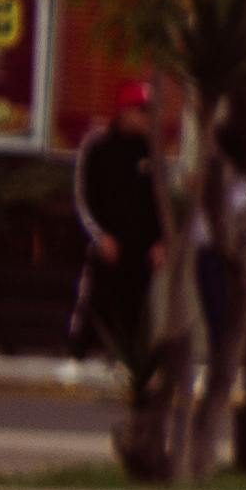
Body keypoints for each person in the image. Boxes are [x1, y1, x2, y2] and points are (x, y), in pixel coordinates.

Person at [74, 80, 164, 369]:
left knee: (136, 305)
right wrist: (100, 236)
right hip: (108, 241)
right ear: (124, 112)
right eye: (141, 111)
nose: (146, 118)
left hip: (142, 245)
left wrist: (161, 241)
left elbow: (162, 203)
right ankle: (79, 354)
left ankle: (127, 360)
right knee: (97, 298)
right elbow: (83, 195)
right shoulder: (99, 146)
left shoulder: (153, 152)